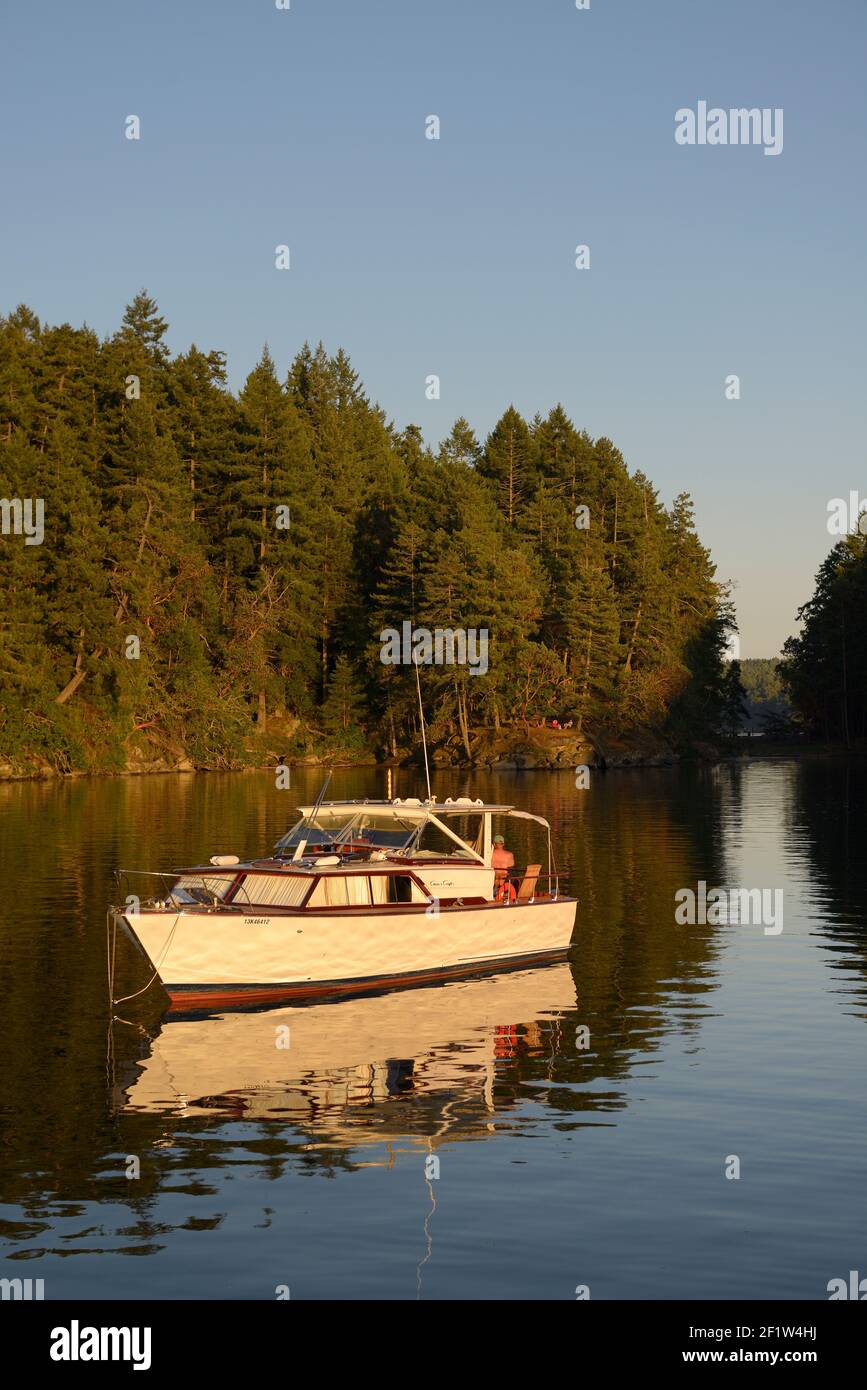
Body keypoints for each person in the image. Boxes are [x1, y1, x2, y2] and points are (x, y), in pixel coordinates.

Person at [491, 834, 515, 899]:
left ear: (493, 844)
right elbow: (510, 872)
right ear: (503, 844)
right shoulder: (509, 855)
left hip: (492, 886)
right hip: (505, 886)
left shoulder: (489, 855)